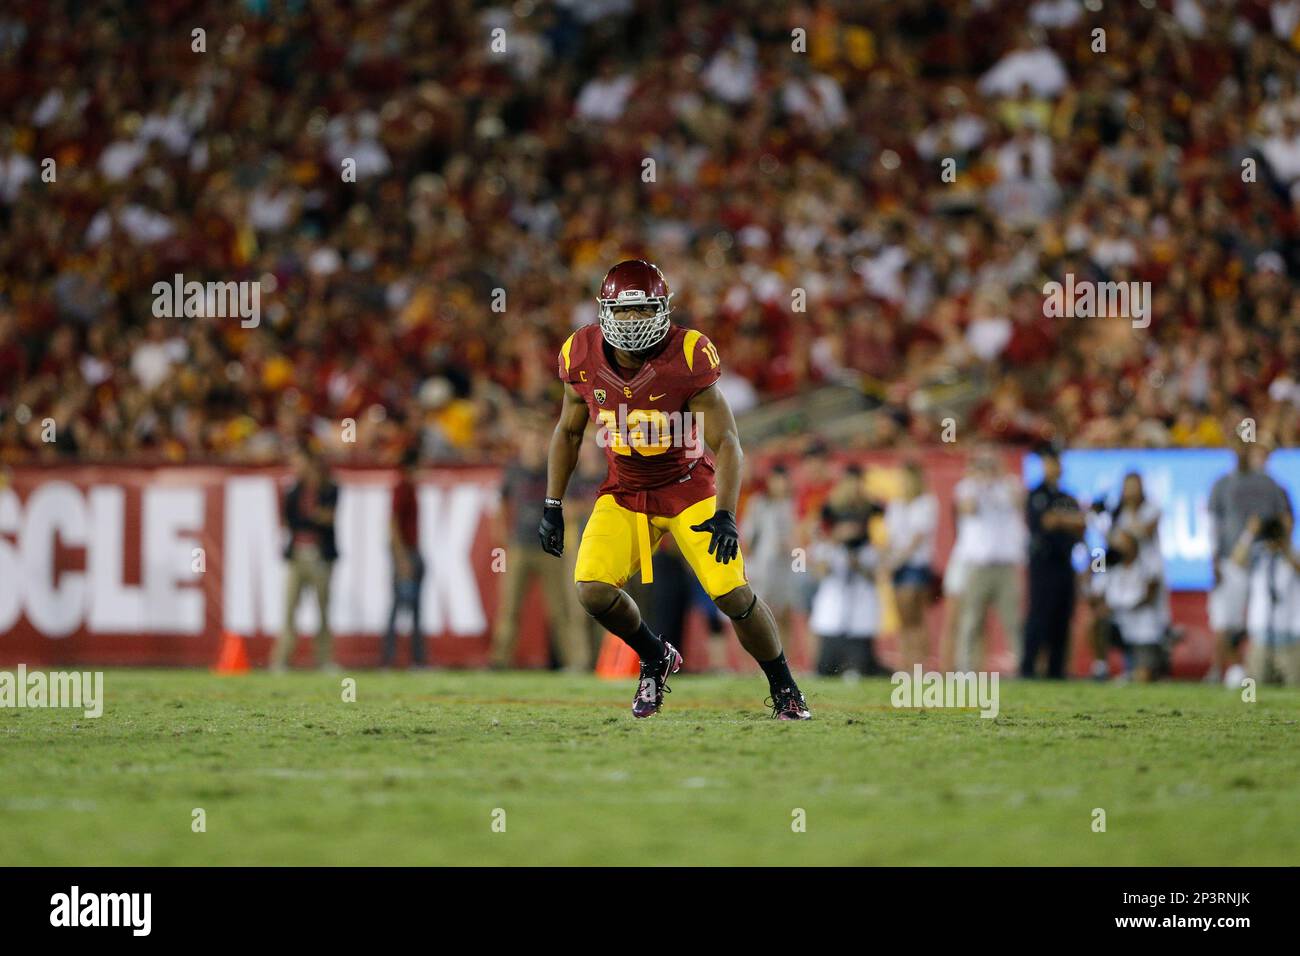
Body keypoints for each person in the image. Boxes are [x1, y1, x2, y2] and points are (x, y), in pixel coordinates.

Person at [538, 259, 810, 719]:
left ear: (663, 309)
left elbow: (727, 442)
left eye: (643, 310)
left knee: (731, 593)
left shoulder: (687, 354)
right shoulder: (580, 353)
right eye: (624, 312)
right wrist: (552, 504)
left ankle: (785, 688)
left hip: (689, 489)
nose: (633, 321)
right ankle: (655, 656)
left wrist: (725, 512)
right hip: (625, 492)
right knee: (592, 590)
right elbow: (567, 432)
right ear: (604, 312)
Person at [491, 423, 587, 671]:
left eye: (538, 439)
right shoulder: (513, 470)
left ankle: (573, 662)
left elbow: (575, 503)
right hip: (520, 545)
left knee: (560, 609)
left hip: (550, 549)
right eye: (530, 439)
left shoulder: (555, 468)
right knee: (509, 607)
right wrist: (503, 535)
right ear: (522, 441)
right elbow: (500, 502)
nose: (534, 445)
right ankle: (500, 661)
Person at [1207, 443, 1292, 685]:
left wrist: (1281, 547)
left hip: (1264, 559)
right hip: (1231, 560)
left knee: (1255, 618)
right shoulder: (1223, 483)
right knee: (1225, 618)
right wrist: (1213, 558)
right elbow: (1213, 523)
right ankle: (1221, 669)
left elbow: (1284, 518)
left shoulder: (1270, 485)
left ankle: (1253, 669)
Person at [953, 449, 1025, 671]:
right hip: (979, 565)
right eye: (983, 464)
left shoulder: (1010, 484)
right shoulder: (967, 486)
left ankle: (1022, 665)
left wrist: (998, 480)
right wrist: (980, 483)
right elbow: (969, 508)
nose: (988, 469)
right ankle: (965, 668)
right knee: (972, 619)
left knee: (1012, 620)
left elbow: (1020, 503)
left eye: (992, 464)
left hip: (1005, 565)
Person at [272, 447, 339, 673]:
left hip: (319, 554)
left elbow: (327, 518)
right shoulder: (293, 492)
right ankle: (281, 660)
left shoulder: (329, 489)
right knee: (290, 607)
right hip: (297, 554)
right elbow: (292, 522)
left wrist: (313, 518)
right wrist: (315, 517)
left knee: (323, 608)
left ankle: (324, 660)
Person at [1022, 447, 1086, 678]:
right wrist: (1068, 520)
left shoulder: (1066, 497)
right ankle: (1028, 669)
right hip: (1042, 564)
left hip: (1064, 563)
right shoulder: (1036, 494)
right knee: (1039, 616)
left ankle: (1056, 671)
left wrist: (1062, 520)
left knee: (1062, 617)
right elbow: (1047, 522)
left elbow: (1082, 526)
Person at [809, 510, 882, 677]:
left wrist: (856, 562)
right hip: (832, 620)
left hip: (859, 622)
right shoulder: (827, 548)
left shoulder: (869, 550)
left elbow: (876, 575)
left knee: (859, 669)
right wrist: (834, 544)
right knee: (825, 669)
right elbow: (819, 572)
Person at [1232, 514, 1300, 687]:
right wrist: (1250, 532)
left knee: (1295, 691)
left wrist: (1284, 544)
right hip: (1261, 637)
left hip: (1290, 639)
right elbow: (1236, 561)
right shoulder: (1258, 555)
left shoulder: (1294, 554)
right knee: (1254, 691)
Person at [884, 460, 938, 671]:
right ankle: (906, 663)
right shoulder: (896, 504)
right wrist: (887, 560)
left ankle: (920, 664)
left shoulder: (925, 502)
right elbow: (891, 538)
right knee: (903, 619)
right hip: (898, 566)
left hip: (916, 565)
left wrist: (895, 561)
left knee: (915, 617)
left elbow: (917, 538)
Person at [1100, 529, 1168, 682]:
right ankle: (1100, 667)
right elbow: (1094, 592)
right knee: (1095, 622)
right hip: (1120, 626)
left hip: (1144, 631)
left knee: (1144, 677)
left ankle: (1137, 673)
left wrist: (1118, 606)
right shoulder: (1110, 565)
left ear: (1134, 546)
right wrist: (1099, 557)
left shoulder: (1148, 563)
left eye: (1123, 544)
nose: (1119, 548)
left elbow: (1148, 596)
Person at [381, 448, 427, 668]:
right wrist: (402, 559)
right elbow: (393, 524)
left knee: (413, 606)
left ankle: (414, 658)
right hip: (407, 552)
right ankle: (390, 658)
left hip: (411, 551)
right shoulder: (403, 488)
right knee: (401, 605)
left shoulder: (408, 488)